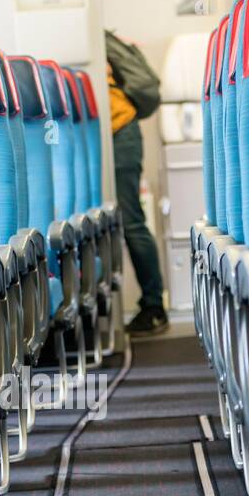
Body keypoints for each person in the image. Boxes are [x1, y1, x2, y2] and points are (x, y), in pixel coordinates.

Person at [107, 57, 169, 337]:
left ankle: (154, 307)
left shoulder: (91, 43)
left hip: (120, 133)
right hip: (109, 134)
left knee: (131, 221)